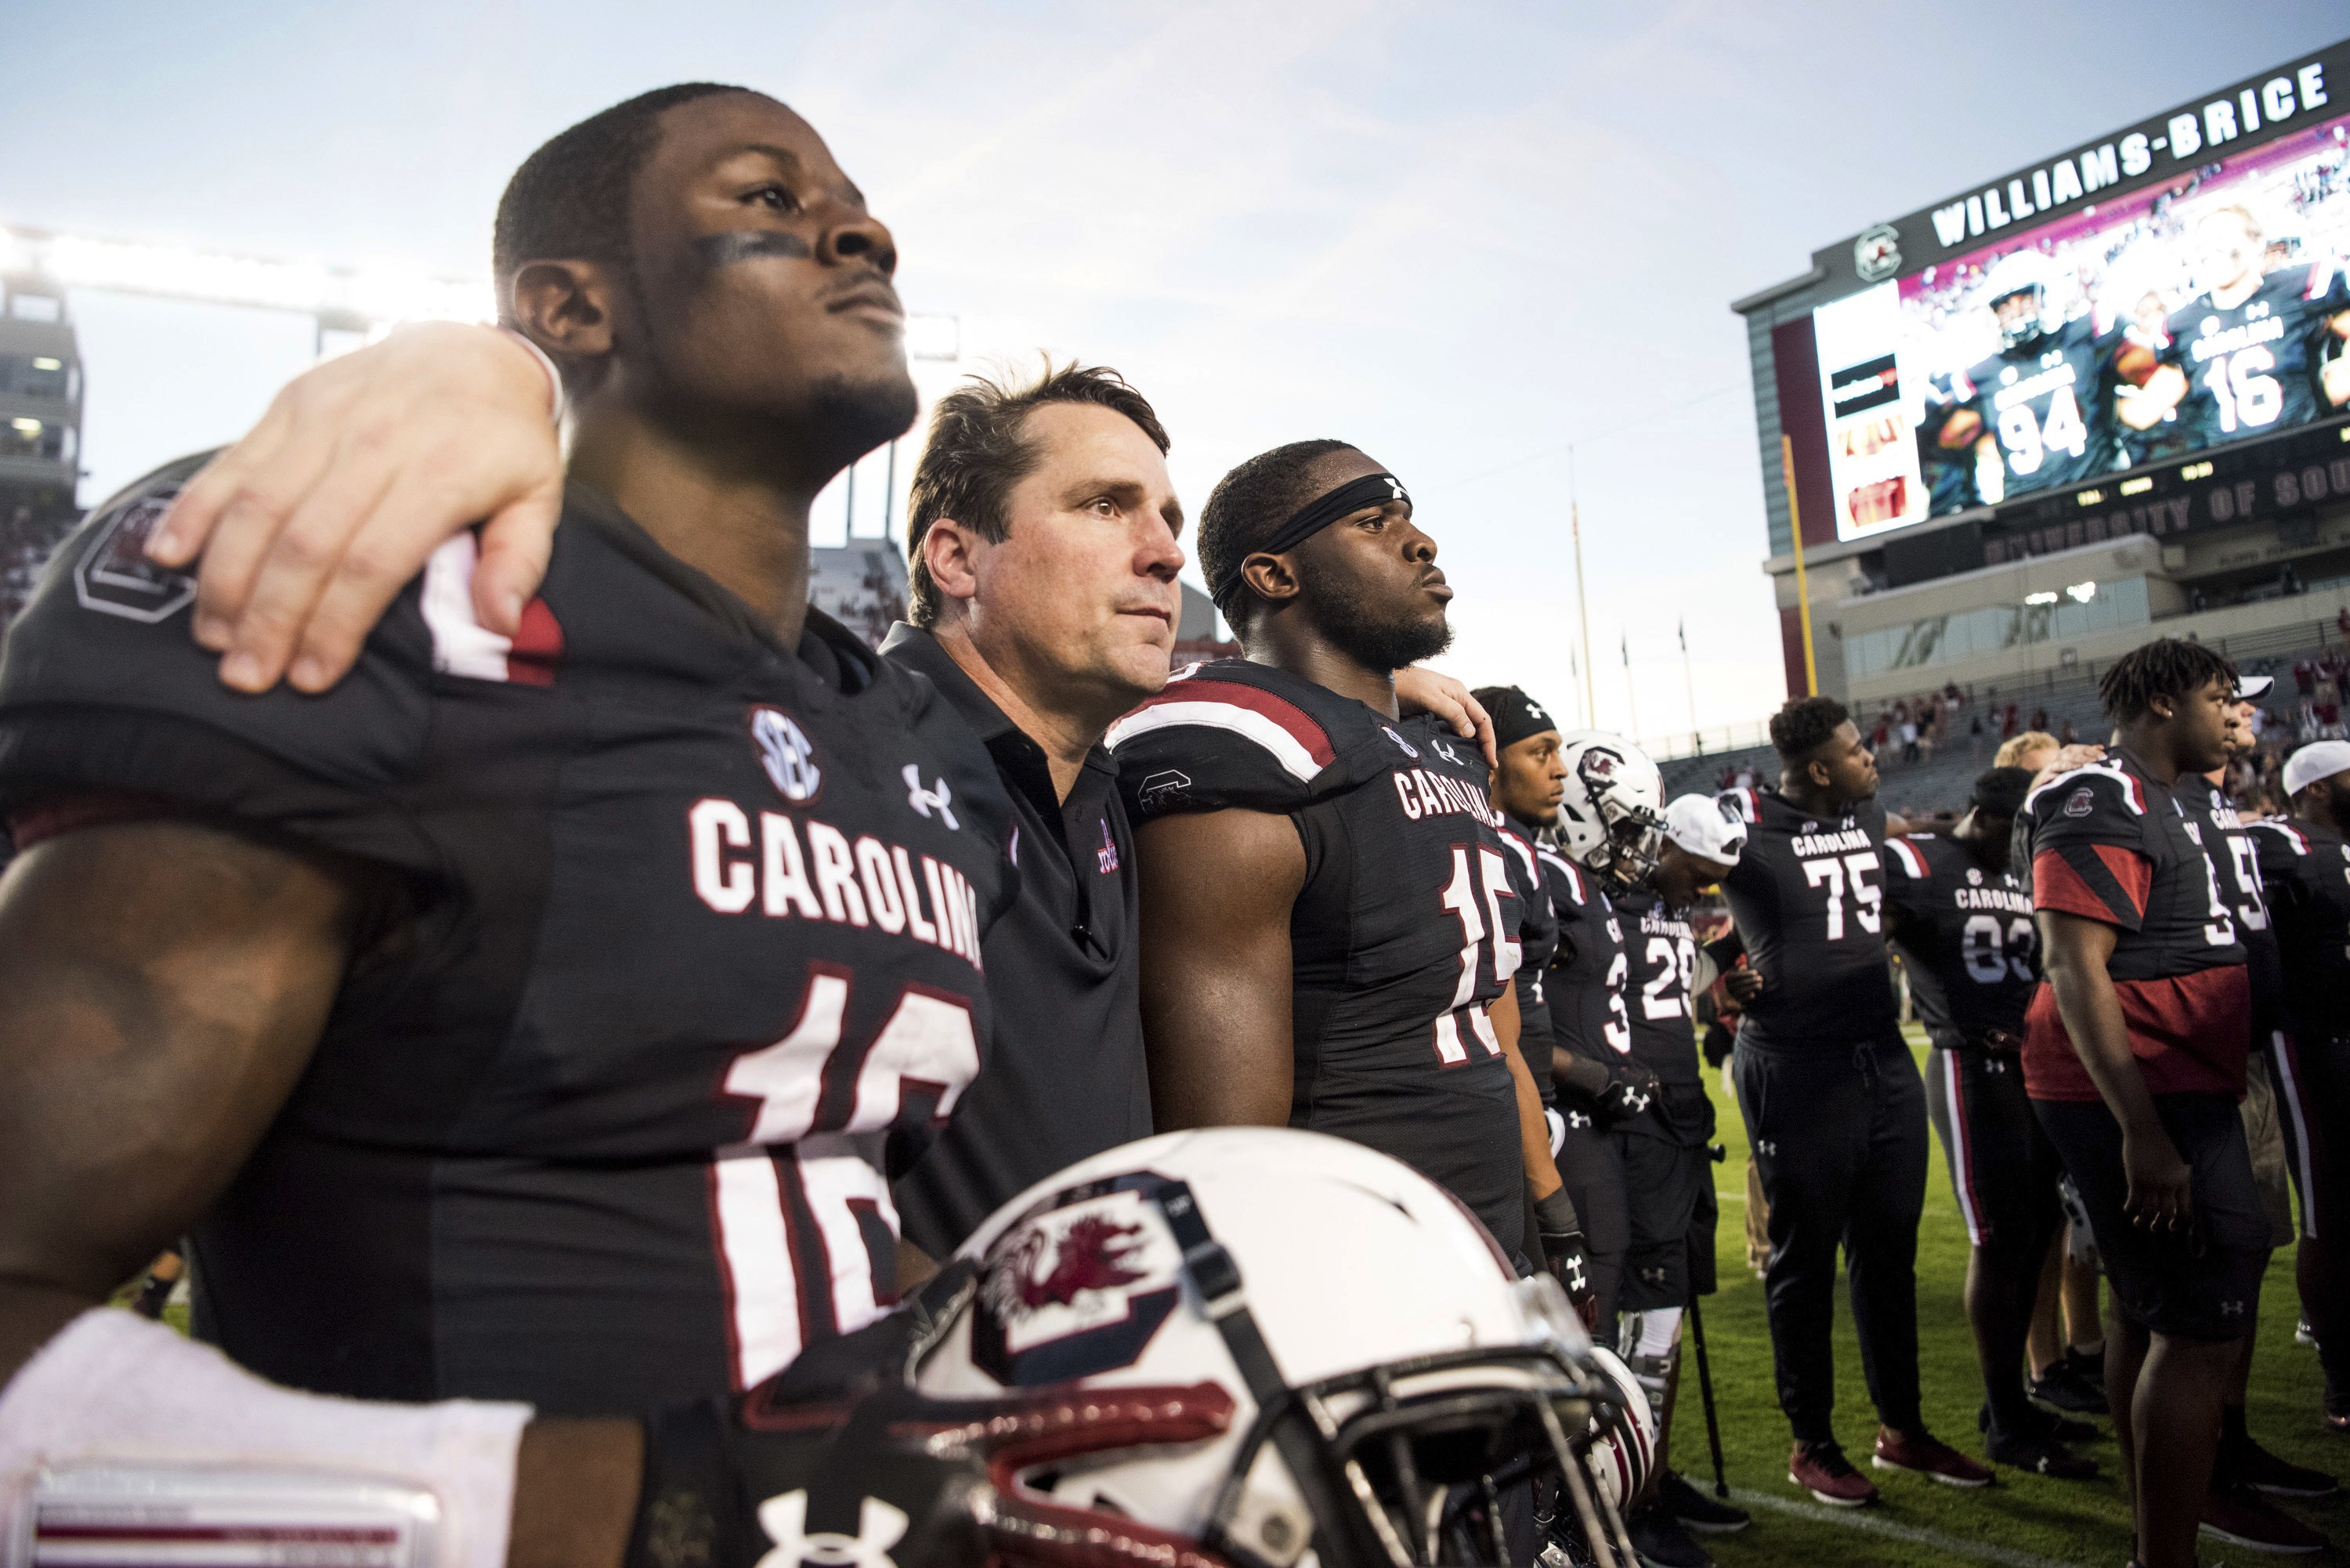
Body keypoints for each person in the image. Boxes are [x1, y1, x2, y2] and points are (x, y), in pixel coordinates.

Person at [0, 84, 1023, 1566]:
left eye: (853, 200)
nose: (858, 228)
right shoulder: (395, 607)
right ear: (569, 304)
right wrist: (643, 1510)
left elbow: (799, 1200)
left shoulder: (912, 745)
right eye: (764, 198)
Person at [1108, 440, 1587, 1307]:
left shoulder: (1440, 748)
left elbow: (1487, 1021)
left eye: (1408, 516)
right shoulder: (1253, 748)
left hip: (1488, 1251)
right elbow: (1228, 1157)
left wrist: (1547, 1207)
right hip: (1355, 1289)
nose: (1422, 541)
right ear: (1274, 574)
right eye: (1376, 521)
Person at [2024, 638, 2265, 1568]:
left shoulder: (2180, 794)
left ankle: (2152, 1536)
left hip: (2182, 1074)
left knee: (2149, 1311)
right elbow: (2073, 968)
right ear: (2164, 703)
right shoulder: (2101, 796)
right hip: (2139, 1085)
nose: (2233, 714)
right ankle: (2165, 1556)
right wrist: (2142, 1129)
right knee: (2201, 1325)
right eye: (2218, 696)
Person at [1716, 696, 1989, 1504]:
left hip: (1880, 1057)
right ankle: (1813, 1441)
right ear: (1821, 766)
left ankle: (1901, 1429)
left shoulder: (1865, 813)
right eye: (1856, 747)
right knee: (1804, 1260)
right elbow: (1674, 881)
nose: (1872, 756)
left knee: (1888, 1252)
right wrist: (1725, 968)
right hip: (1798, 1064)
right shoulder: (1746, 824)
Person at [1882, 768, 2097, 1479]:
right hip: (1971, 1065)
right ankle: (2006, 1420)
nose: (2020, 844)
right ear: (1983, 814)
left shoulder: (2025, 864)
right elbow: (1852, 933)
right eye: (2012, 829)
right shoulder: (1916, 859)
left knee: (2036, 1236)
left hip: (2038, 1066)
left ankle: (2016, 1404)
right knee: (1998, 1241)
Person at [2171, 675, 2336, 1551]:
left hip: (2247, 1064)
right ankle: (2194, 1480)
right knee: (2192, 1294)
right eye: (2230, 703)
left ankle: (2229, 1444)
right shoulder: (2144, 809)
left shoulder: (2220, 813)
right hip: (2187, 1073)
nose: (2248, 718)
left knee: (2246, 1264)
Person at [1603, 792, 1751, 1566]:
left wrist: (1737, 976)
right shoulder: (1606, 895)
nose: (1703, 890)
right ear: (1665, 848)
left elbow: (1723, 942)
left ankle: (1657, 1470)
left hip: (1683, 1119)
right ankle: (1633, 1495)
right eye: (1696, 873)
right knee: (1648, 1325)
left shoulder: (1677, 904)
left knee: (1674, 1310)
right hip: (1636, 1122)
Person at [2251, 739, 2350, 1433]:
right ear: (2316, 788)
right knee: (2329, 1213)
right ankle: (2341, 1378)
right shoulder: (2278, 842)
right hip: (2315, 1043)